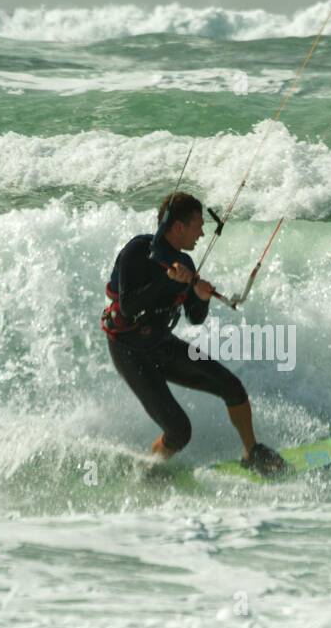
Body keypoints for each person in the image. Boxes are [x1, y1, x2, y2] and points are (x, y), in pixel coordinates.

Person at [102, 191, 286, 475]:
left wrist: (201, 297)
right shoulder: (137, 251)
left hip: (161, 344)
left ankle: (252, 453)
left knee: (232, 387)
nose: (202, 233)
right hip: (130, 350)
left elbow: (195, 318)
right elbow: (128, 307)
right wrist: (166, 281)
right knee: (179, 430)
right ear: (178, 227)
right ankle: (147, 471)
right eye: (198, 225)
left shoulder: (186, 265)